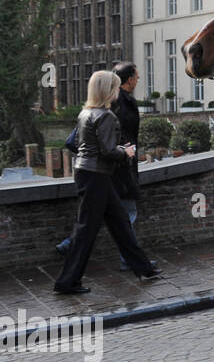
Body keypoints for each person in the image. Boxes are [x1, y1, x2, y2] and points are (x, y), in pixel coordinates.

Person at [53, 70, 161, 294]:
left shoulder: (86, 113)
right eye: (115, 87)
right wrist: (127, 152)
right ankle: (67, 282)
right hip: (96, 175)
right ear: (108, 90)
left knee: (120, 221)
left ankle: (143, 268)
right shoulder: (105, 116)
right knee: (86, 230)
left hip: (89, 174)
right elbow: (108, 151)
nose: (118, 91)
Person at [56, 62, 144, 269]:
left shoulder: (112, 105)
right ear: (128, 80)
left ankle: (70, 247)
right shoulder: (113, 106)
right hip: (115, 170)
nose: (138, 80)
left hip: (109, 169)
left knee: (103, 216)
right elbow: (77, 141)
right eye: (136, 77)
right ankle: (130, 261)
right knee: (124, 214)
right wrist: (118, 155)